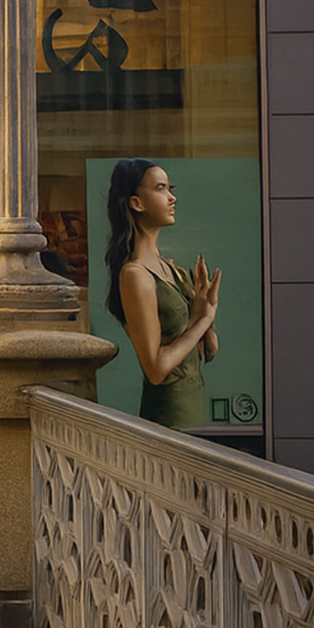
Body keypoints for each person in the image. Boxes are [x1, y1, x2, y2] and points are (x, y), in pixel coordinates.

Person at [104, 158, 220, 430]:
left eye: (170, 188)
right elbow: (155, 370)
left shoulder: (172, 270)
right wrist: (203, 319)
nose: (172, 197)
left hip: (193, 409)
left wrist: (204, 313)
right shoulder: (135, 275)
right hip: (169, 417)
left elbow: (210, 350)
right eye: (160, 188)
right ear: (136, 203)